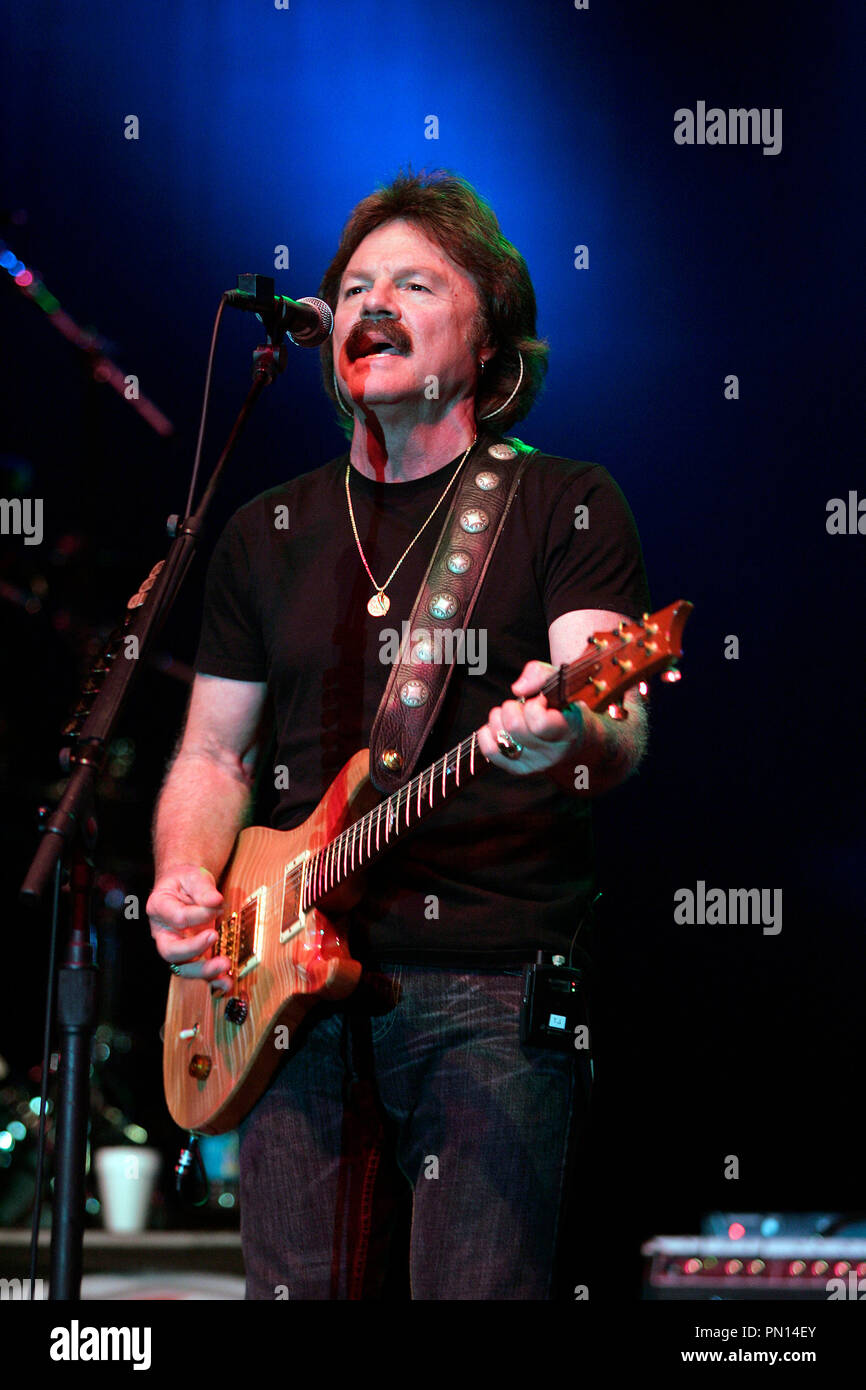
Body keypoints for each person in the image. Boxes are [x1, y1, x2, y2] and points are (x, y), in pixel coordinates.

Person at [146, 169, 651, 1300]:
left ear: (487, 344)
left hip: (487, 994)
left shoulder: (562, 503)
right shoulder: (264, 529)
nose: (372, 301)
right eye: (356, 285)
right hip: (282, 989)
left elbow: (611, 722)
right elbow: (212, 755)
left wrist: (558, 732)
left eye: (414, 283)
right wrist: (184, 873)